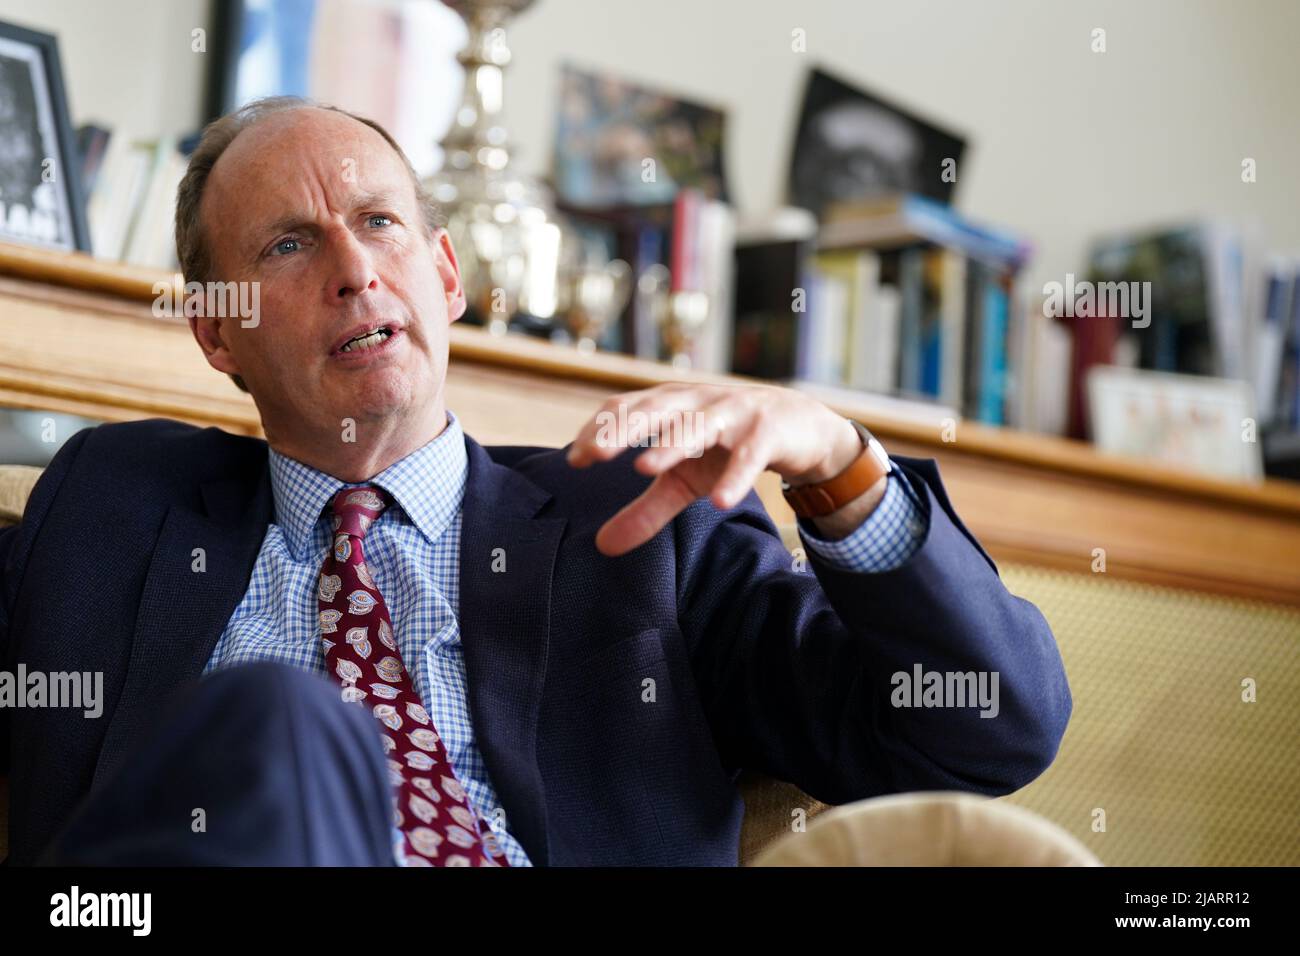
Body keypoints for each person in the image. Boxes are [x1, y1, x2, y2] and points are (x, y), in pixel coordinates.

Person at [0, 96, 1071, 867]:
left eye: (379, 221)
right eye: (287, 244)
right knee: (283, 720)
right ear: (217, 331)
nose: (354, 267)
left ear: (448, 274)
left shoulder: (640, 517)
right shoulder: (116, 499)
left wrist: (842, 468)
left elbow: (986, 730)